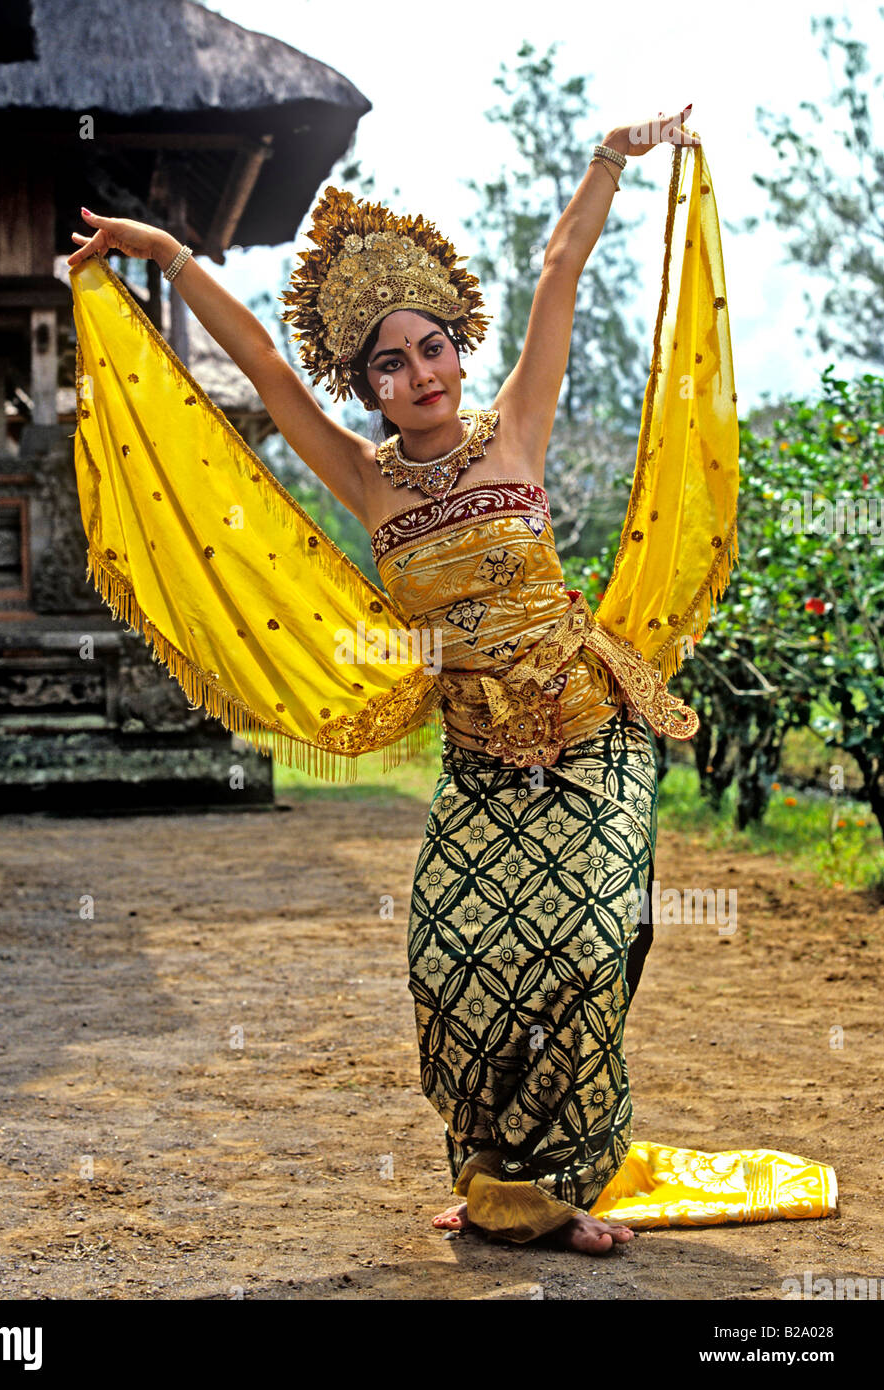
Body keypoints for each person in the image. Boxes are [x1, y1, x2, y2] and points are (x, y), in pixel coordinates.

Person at [65, 103, 837, 1252]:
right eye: (390, 361)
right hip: (477, 758)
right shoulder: (364, 478)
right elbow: (264, 364)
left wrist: (611, 156)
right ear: (367, 383)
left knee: (580, 945)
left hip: (591, 727)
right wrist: (166, 254)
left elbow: (560, 265)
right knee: (450, 956)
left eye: (432, 347)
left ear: (459, 348)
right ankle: (493, 1177)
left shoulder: (517, 424)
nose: (419, 372)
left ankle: (566, 1181)